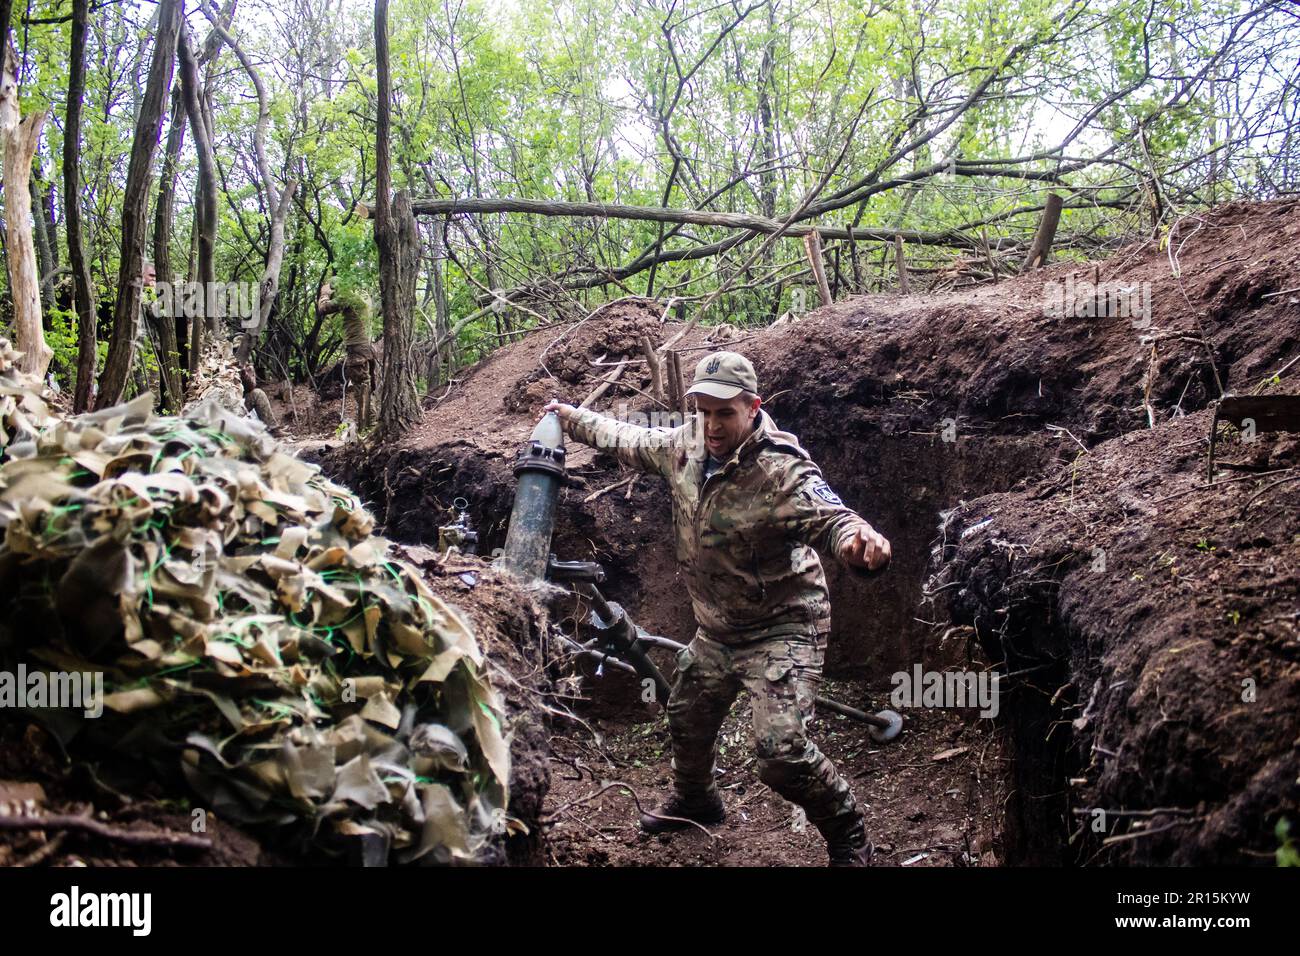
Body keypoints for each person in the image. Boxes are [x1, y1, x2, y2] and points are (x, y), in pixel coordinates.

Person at [542, 350, 890, 866]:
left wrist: (861, 544)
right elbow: (627, 437)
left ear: (753, 407)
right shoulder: (684, 444)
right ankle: (696, 800)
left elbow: (836, 519)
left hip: (783, 627)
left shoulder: (781, 469)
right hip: (717, 628)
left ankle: (848, 832)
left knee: (780, 753)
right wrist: (570, 417)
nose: (711, 425)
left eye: (724, 412)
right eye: (703, 411)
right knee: (686, 715)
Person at [316, 280, 378, 428]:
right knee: (367, 386)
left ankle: (370, 425)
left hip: (357, 349)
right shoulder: (363, 294)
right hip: (368, 347)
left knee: (361, 388)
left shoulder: (347, 297)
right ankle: (371, 422)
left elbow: (323, 308)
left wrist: (325, 294)